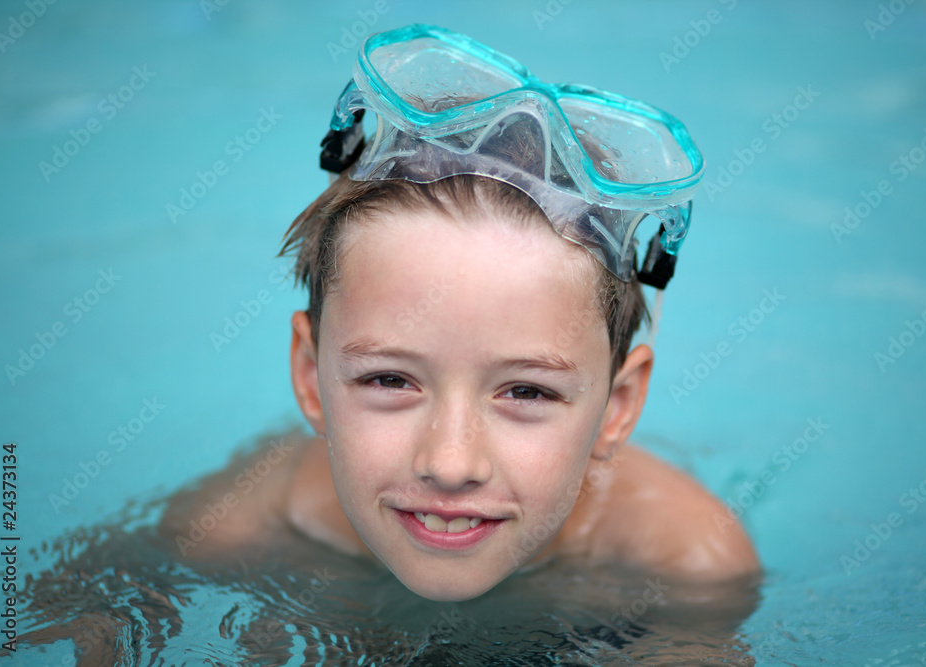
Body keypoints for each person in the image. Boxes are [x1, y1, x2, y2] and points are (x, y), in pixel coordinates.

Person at [162, 23, 759, 603]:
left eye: (527, 392)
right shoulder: (231, 533)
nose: (450, 465)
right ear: (309, 375)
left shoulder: (687, 572)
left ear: (617, 407)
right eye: (390, 379)